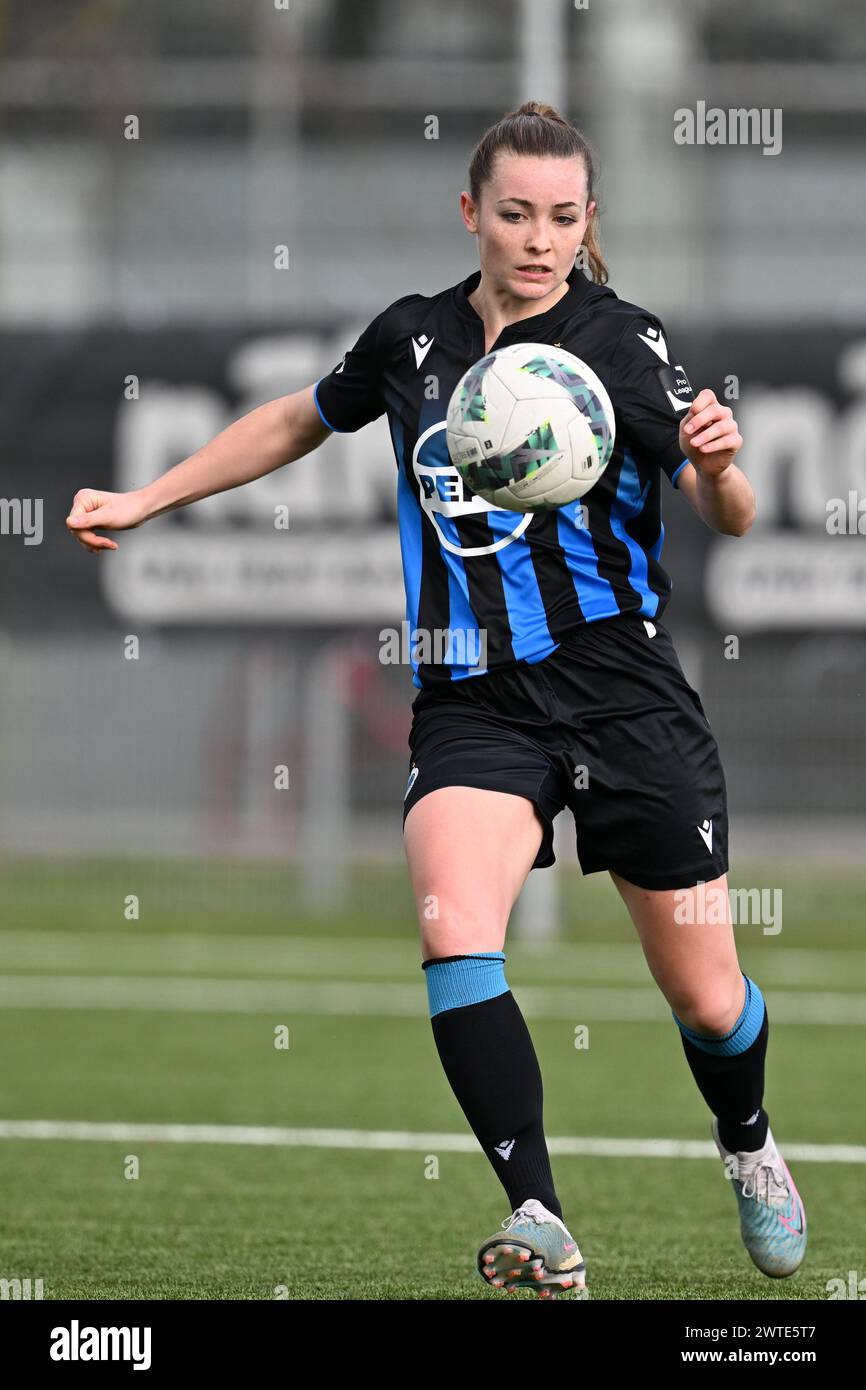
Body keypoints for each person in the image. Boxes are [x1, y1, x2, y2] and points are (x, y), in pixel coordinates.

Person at [67, 100, 806, 1299]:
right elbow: (296, 420)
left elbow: (726, 510)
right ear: (470, 213)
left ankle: (747, 1143)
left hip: (621, 694)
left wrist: (721, 470)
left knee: (707, 998)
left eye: (562, 217)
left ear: (587, 223)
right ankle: (540, 1217)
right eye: (514, 213)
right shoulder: (412, 341)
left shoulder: (618, 344)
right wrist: (147, 499)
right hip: (470, 697)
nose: (537, 237)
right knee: (453, 925)